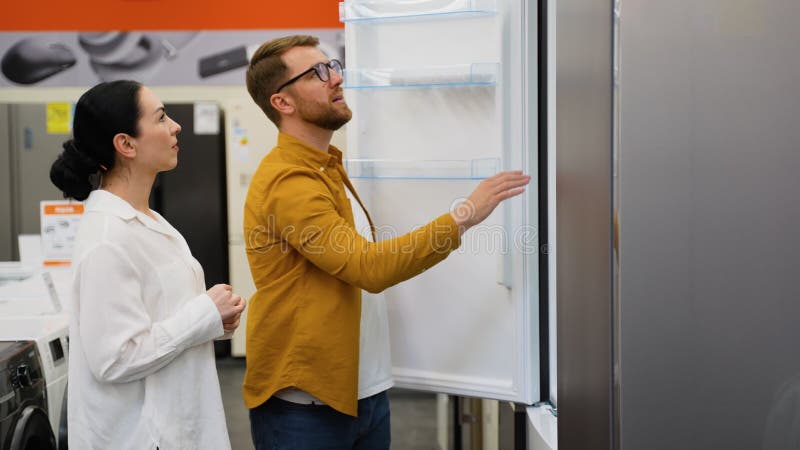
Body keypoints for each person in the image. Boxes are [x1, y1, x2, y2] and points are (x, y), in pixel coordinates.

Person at [243, 35, 530, 450]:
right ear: (282, 102)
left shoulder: (326, 166)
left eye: (333, 66)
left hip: (364, 393)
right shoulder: (288, 180)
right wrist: (464, 215)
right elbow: (369, 268)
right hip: (307, 409)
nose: (335, 78)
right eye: (317, 73)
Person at [49, 80, 246, 450]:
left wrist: (214, 321)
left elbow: (161, 315)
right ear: (126, 144)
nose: (176, 126)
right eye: (161, 118)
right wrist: (204, 314)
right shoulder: (107, 238)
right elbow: (115, 358)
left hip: (176, 424)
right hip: (141, 437)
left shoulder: (148, 219)